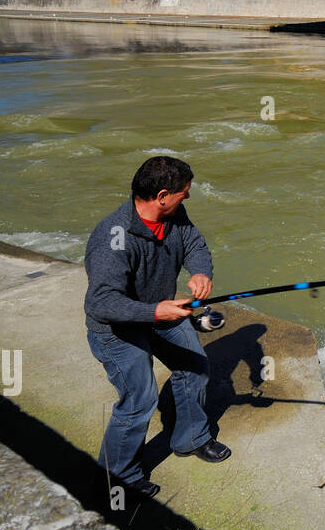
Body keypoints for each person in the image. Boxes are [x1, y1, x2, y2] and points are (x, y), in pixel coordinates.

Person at [84, 155, 231, 500]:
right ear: (162, 195)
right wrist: (155, 311)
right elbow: (100, 303)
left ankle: (191, 439)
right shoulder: (112, 237)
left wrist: (199, 271)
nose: (188, 198)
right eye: (185, 192)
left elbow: (194, 243)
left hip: (160, 313)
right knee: (140, 399)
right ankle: (118, 476)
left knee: (195, 366)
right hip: (117, 328)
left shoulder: (174, 215)